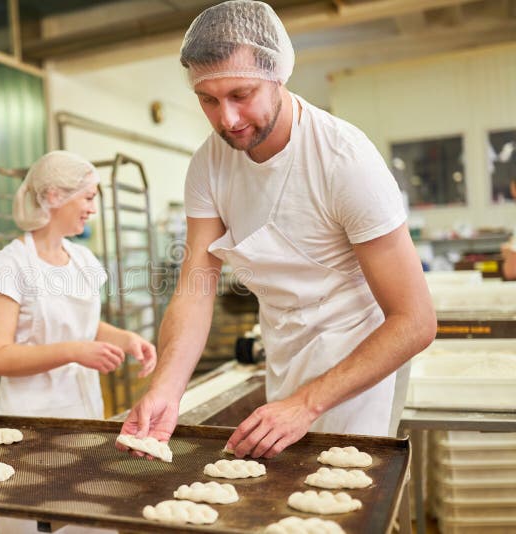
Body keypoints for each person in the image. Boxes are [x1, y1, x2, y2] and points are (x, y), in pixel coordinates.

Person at [118, 0, 436, 460]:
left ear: (278, 75)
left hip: (359, 363)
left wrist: (306, 404)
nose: (226, 119)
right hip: (284, 352)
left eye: (240, 94)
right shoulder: (209, 165)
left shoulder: (343, 160)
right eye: (208, 100)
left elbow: (415, 321)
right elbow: (196, 286)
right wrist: (167, 389)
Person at [0, 150, 157, 533]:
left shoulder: (81, 260)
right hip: (28, 422)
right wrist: (74, 352)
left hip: (82, 412)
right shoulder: (12, 264)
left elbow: (84, 325)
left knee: (87, 516)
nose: (92, 209)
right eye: (88, 197)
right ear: (55, 196)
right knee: (30, 519)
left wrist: (126, 339)